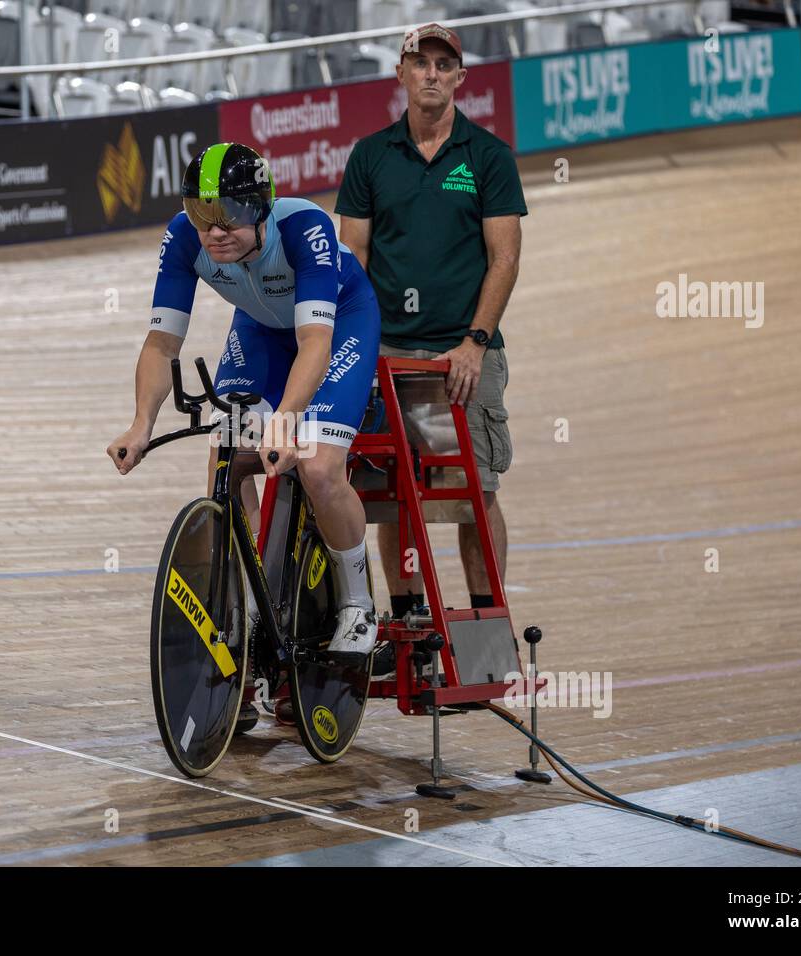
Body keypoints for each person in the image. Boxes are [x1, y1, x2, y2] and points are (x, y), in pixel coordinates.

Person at [106, 142, 381, 671]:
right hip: (260, 328)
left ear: (261, 206)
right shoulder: (183, 238)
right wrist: (141, 425)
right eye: (201, 213)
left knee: (320, 466)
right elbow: (162, 344)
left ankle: (357, 604)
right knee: (226, 457)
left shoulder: (305, 228)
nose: (214, 230)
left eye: (229, 214)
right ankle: (256, 601)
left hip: (336, 323)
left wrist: (285, 421)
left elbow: (316, 346)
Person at [335, 23, 527, 675]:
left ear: (461, 78)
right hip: (389, 351)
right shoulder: (369, 157)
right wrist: (357, 351)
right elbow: (352, 257)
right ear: (401, 72)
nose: (433, 74)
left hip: (462, 355)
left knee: (476, 495)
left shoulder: (488, 156)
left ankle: (483, 641)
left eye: (446, 65)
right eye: (422, 63)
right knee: (394, 498)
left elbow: (504, 259)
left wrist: (474, 342)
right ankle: (411, 633)